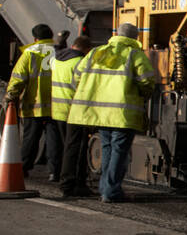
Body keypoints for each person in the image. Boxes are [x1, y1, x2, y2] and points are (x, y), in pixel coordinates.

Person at [66, 23, 159, 203]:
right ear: (135, 38)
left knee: (108, 148)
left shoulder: (96, 52)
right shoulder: (135, 55)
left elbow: (76, 75)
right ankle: (110, 191)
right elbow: (147, 82)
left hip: (100, 113)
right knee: (119, 151)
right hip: (122, 115)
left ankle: (105, 188)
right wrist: (142, 95)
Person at [3, 23, 57, 177]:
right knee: (54, 139)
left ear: (35, 38)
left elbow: (19, 77)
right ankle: (55, 171)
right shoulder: (59, 51)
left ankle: (24, 167)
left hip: (34, 104)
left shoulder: (30, 53)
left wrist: (11, 95)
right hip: (55, 105)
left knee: (31, 139)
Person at [52, 36, 94, 198]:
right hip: (74, 111)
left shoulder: (58, 60)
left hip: (58, 109)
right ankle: (71, 184)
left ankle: (66, 179)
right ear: (86, 49)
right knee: (76, 148)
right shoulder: (79, 63)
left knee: (67, 147)